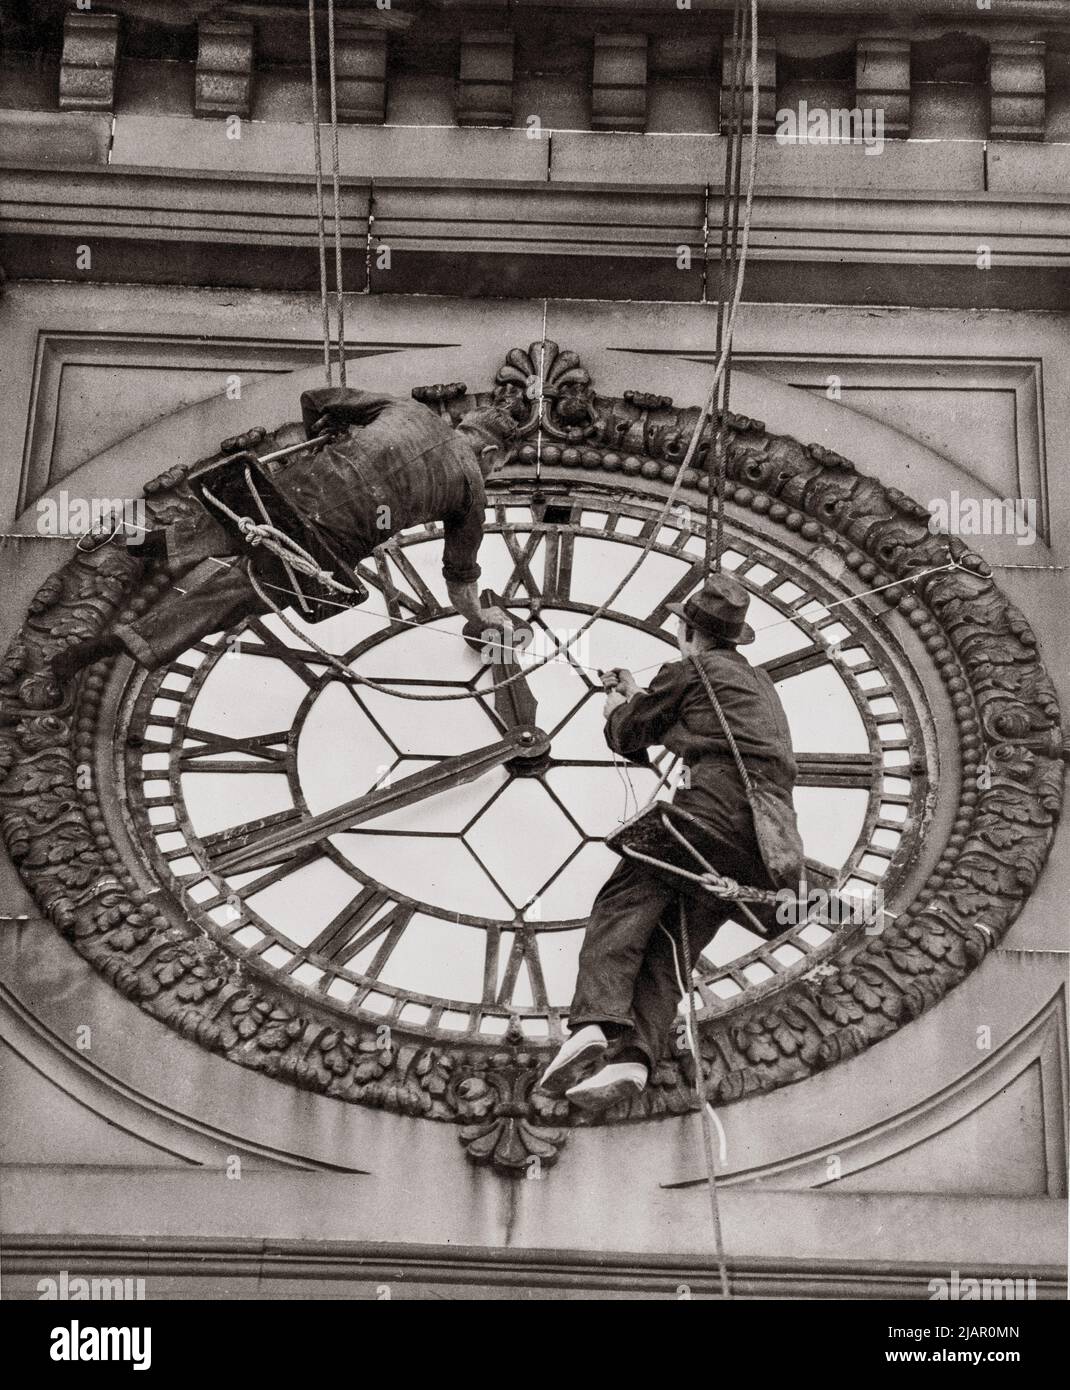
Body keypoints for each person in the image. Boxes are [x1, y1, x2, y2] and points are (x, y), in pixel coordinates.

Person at [538, 574, 801, 1113]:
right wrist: (641, 696)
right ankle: (635, 1058)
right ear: (735, 636)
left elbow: (631, 734)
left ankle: (591, 1024)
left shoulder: (688, 669)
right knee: (670, 947)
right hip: (765, 842)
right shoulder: (757, 686)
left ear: (686, 631)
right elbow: (701, 725)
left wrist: (618, 707)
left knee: (624, 901)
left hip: (708, 815)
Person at [52, 388, 519, 677]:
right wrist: (483, 620)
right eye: (499, 466)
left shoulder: (405, 410)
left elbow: (318, 399)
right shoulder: (471, 487)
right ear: (493, 453)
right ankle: (113, 646)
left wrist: (331, 433)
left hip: (281, 495)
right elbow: (460, 580)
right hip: (323, 550)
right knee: (226, 599)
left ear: (464, 423)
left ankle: (140, 545)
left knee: (232, 521)